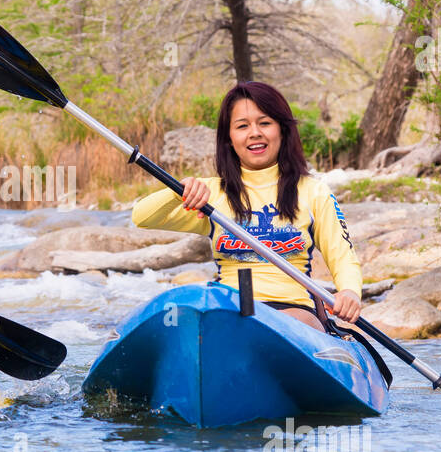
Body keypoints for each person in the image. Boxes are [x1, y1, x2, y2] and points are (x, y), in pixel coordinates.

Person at [132, 81, 362, 331]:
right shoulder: (209, 194)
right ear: (229, 138)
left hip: (294, 313)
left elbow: (343, 257)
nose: (254, 133)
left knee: (288, 323)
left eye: (265, 123)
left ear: (282, 131)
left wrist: (349, 292)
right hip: (228, 308)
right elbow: (141, 217)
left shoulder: (314, 191)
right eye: (242, 126)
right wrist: (178, 192)